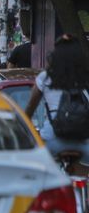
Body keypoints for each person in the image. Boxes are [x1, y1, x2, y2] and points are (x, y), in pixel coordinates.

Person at [25, 35, 89, 172]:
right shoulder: (85, 78)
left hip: (53, 140)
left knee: (37, 170)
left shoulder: (45, 77)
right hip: (83, 142)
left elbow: (30, 108)